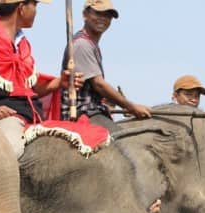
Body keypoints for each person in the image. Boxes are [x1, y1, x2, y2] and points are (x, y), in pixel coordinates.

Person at [0, 0, 76, 157]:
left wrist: (60, 82)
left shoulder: (22, 44)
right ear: (22, 8)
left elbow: (32, 89)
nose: (36, 11)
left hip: (34, 118)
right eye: (35, 5)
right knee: (10, 151)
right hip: (8, 120)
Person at [61, 0, 151, 129]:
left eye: (107, 15)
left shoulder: (91, 44)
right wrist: (131, 107)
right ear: (85, 14)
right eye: (98, 13)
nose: (103, 19)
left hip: (95, 110)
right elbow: (99, 84)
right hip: (83, 113)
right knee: (122, 144)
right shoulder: (82, 44)